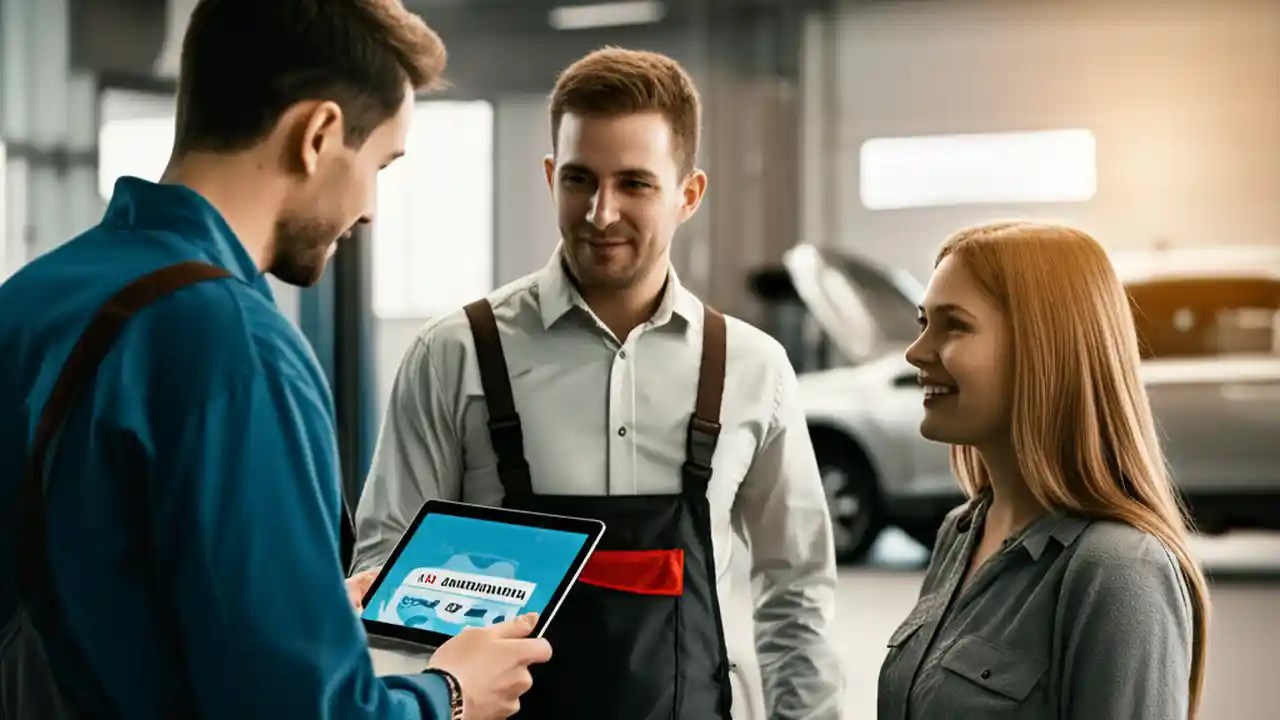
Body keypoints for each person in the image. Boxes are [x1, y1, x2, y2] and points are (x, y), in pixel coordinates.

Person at [0, 1, 550, 719]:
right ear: (318, 134)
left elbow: (100, 590)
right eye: (379, 163)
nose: (372, 209)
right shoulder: (237, 347)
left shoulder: (33, 298)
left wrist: (306, 614)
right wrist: (448, 692)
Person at [353, 47, 843, 720]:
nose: (601, 212)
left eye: (635, 184)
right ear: (552, 176)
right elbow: (385, 578)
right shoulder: (455, 354)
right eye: (580, 179)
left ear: (688, 194)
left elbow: (797, 592)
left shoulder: (753, 371)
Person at [879, 221, 1211, 719]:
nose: (916, 352)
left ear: (1043, 346)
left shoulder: (1119, 570)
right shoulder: (963, 531)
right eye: (924, 321)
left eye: (955, 325)